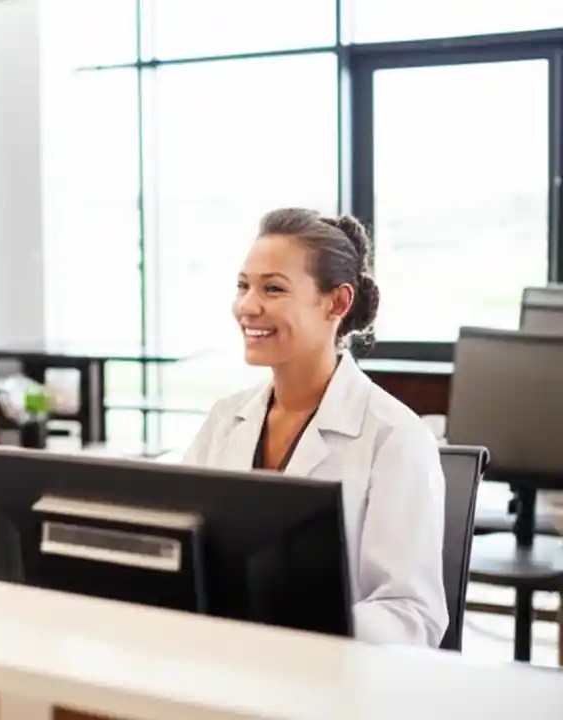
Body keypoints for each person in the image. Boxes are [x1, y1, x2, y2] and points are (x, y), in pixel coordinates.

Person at [182, 207, 447, 648]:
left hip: (331, 677)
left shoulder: (395, 437)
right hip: (224, 661)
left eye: (273, 288)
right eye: (243, 286)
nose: (247, 306)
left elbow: (411, 616)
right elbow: (183, 555)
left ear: (337, 303)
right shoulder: (225, 419)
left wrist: (289, 626)